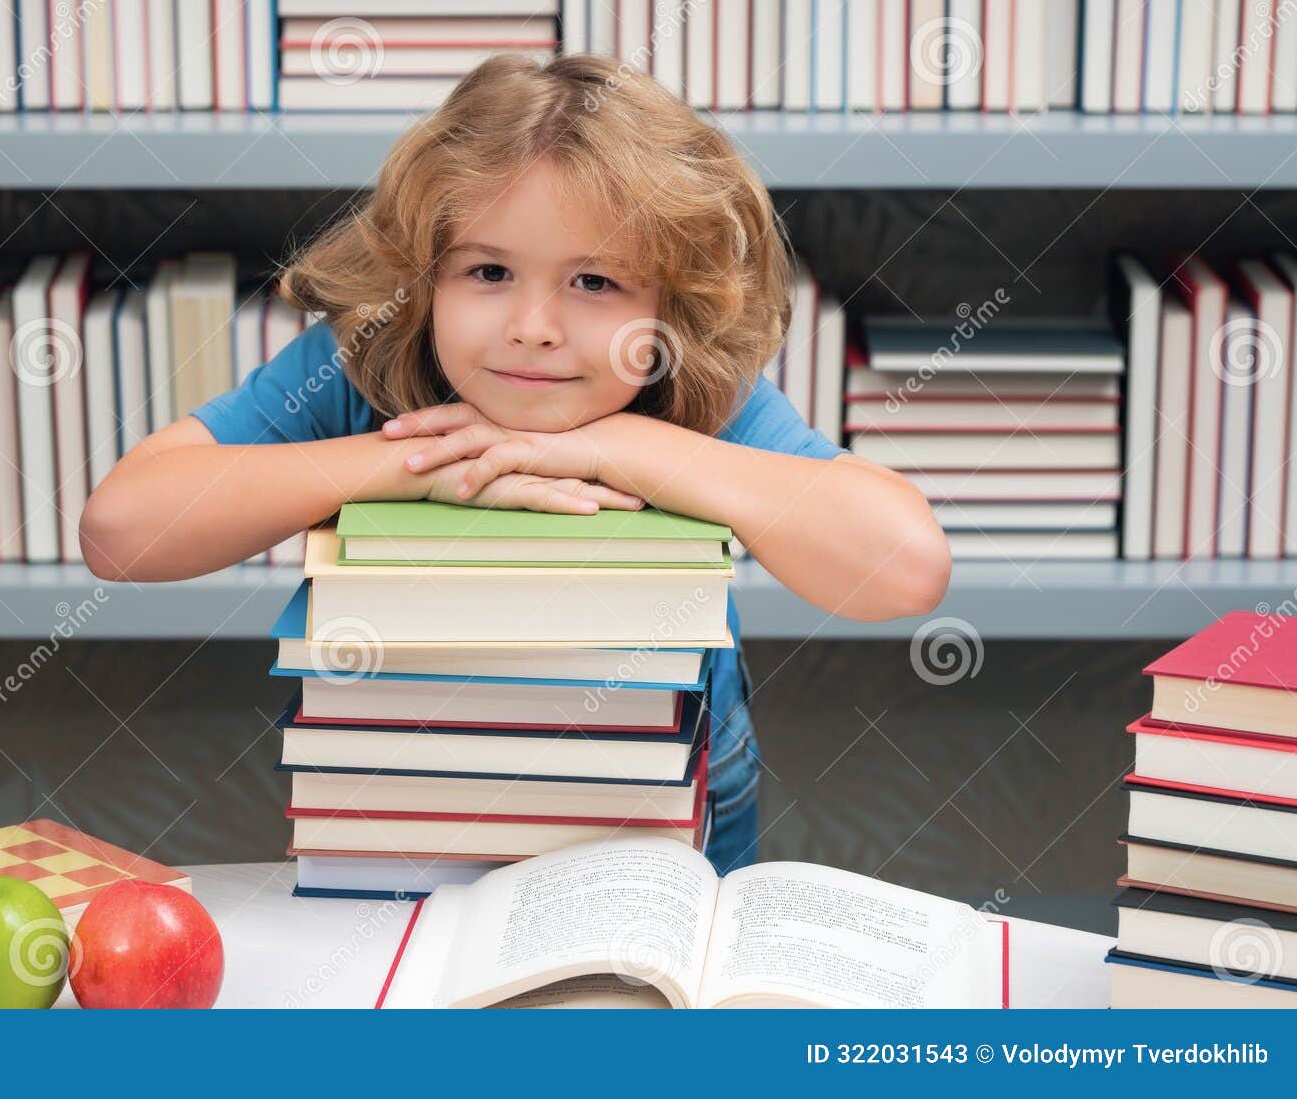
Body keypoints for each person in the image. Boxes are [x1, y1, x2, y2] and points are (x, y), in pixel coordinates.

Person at [81, 53, 951, 876]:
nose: (533, 326)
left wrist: (625, 446)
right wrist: (409, 462)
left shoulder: (694, 393)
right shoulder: (369, 363)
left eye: (595, 282)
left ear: (670, 303)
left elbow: (904, 569)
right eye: (489, 271)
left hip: (667, 814)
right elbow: (120, 533)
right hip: (402, 807)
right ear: (422, 280)